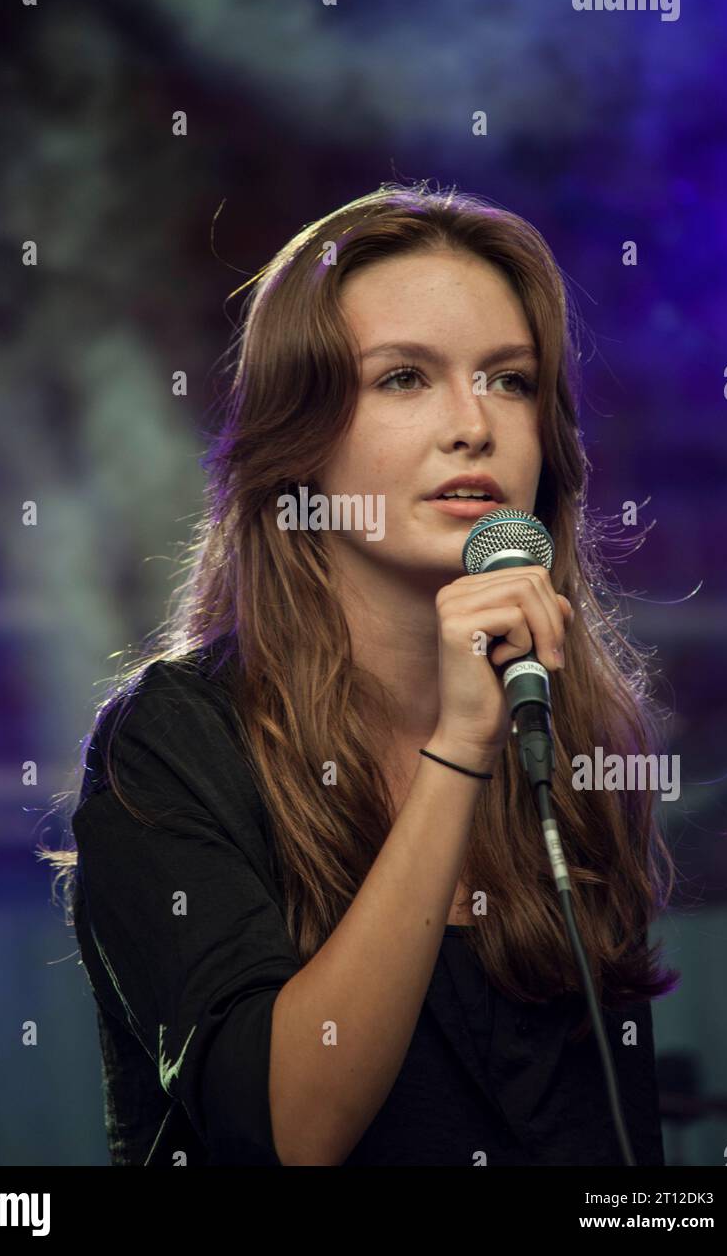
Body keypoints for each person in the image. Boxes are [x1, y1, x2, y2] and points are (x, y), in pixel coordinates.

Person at [45, 180, 680, 1166]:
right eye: (404, 378)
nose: (473, 424)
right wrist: (456, 754)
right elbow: (291, 1131)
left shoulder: (563, 729)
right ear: (300, 442)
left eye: (508, 379)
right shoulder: (173, 743)